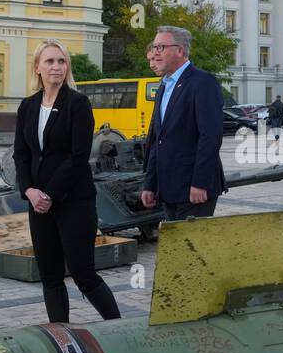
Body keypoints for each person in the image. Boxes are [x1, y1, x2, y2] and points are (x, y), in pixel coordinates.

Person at [13, 41, 120, 323]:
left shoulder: (77, 103)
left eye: (61, 61)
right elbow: (20, 155)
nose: (56, 67)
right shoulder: (27, 106)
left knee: (83, 273)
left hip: (73, 200)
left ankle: (119, 327)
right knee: (50, 276)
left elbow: (78, 156)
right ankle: (61, 334)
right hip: (38, 204)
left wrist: (48, 194)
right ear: (37, 67)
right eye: (49, 61)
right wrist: (29, 191)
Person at [140, 26, 226, 220]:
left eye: (160, 47)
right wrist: (150, 184)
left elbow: (210, 137)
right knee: (177, 248)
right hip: (168, 188)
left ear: (179, 50)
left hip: (194, 190)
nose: (155, 52)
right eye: (154, 47)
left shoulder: (203, 82)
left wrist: (200, 183)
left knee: (193, 249)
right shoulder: (164, 85)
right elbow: (157, 139)